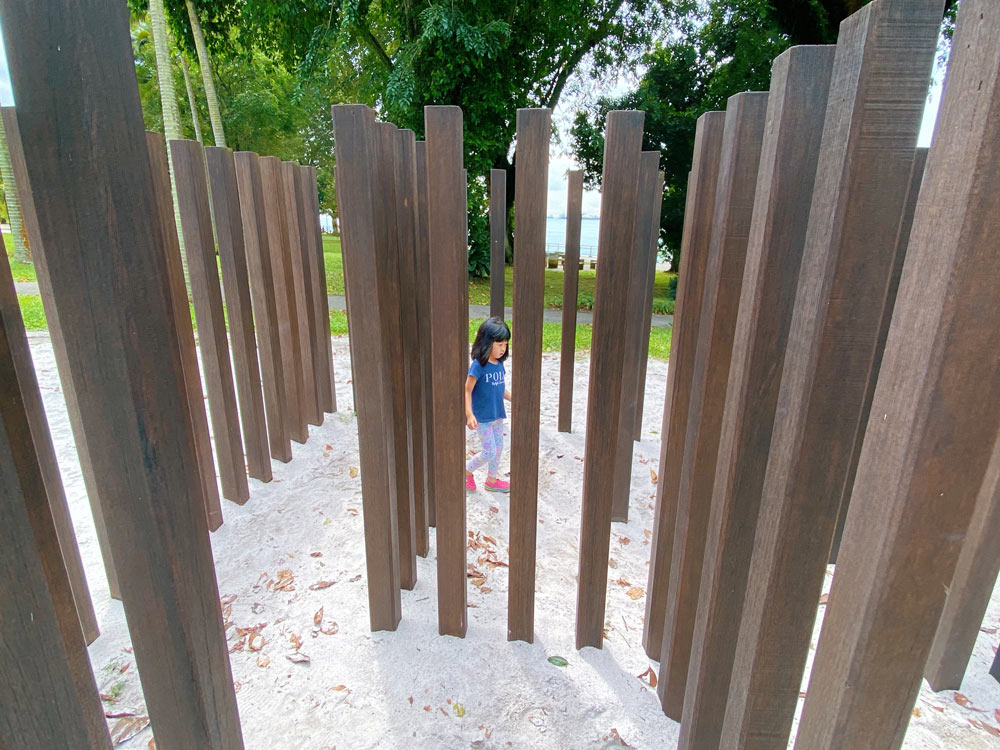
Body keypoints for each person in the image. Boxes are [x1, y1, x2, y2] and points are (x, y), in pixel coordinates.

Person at [465, 317, 512, 493]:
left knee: (498, 448)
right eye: (499, 344)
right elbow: (467, 390)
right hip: (482, 417)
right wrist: (469, 414)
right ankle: (467, 471)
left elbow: (499, 388)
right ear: (486, 342)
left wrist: (513, 398)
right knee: (489, 451)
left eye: (505, 344)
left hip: (497, 414)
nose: (503, 349)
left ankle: (491, 480)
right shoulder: (478, 366)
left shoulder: (499, 364)